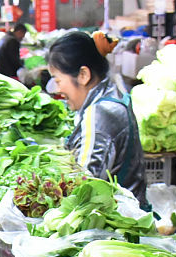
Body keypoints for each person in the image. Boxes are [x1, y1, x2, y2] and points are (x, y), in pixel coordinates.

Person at [47, 31, 145, 200]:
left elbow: (83, 185)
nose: (57, 90)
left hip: (116, 221)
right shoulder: (112, 95)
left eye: (58, 81)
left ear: (83, 75)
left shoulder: (99, 114)